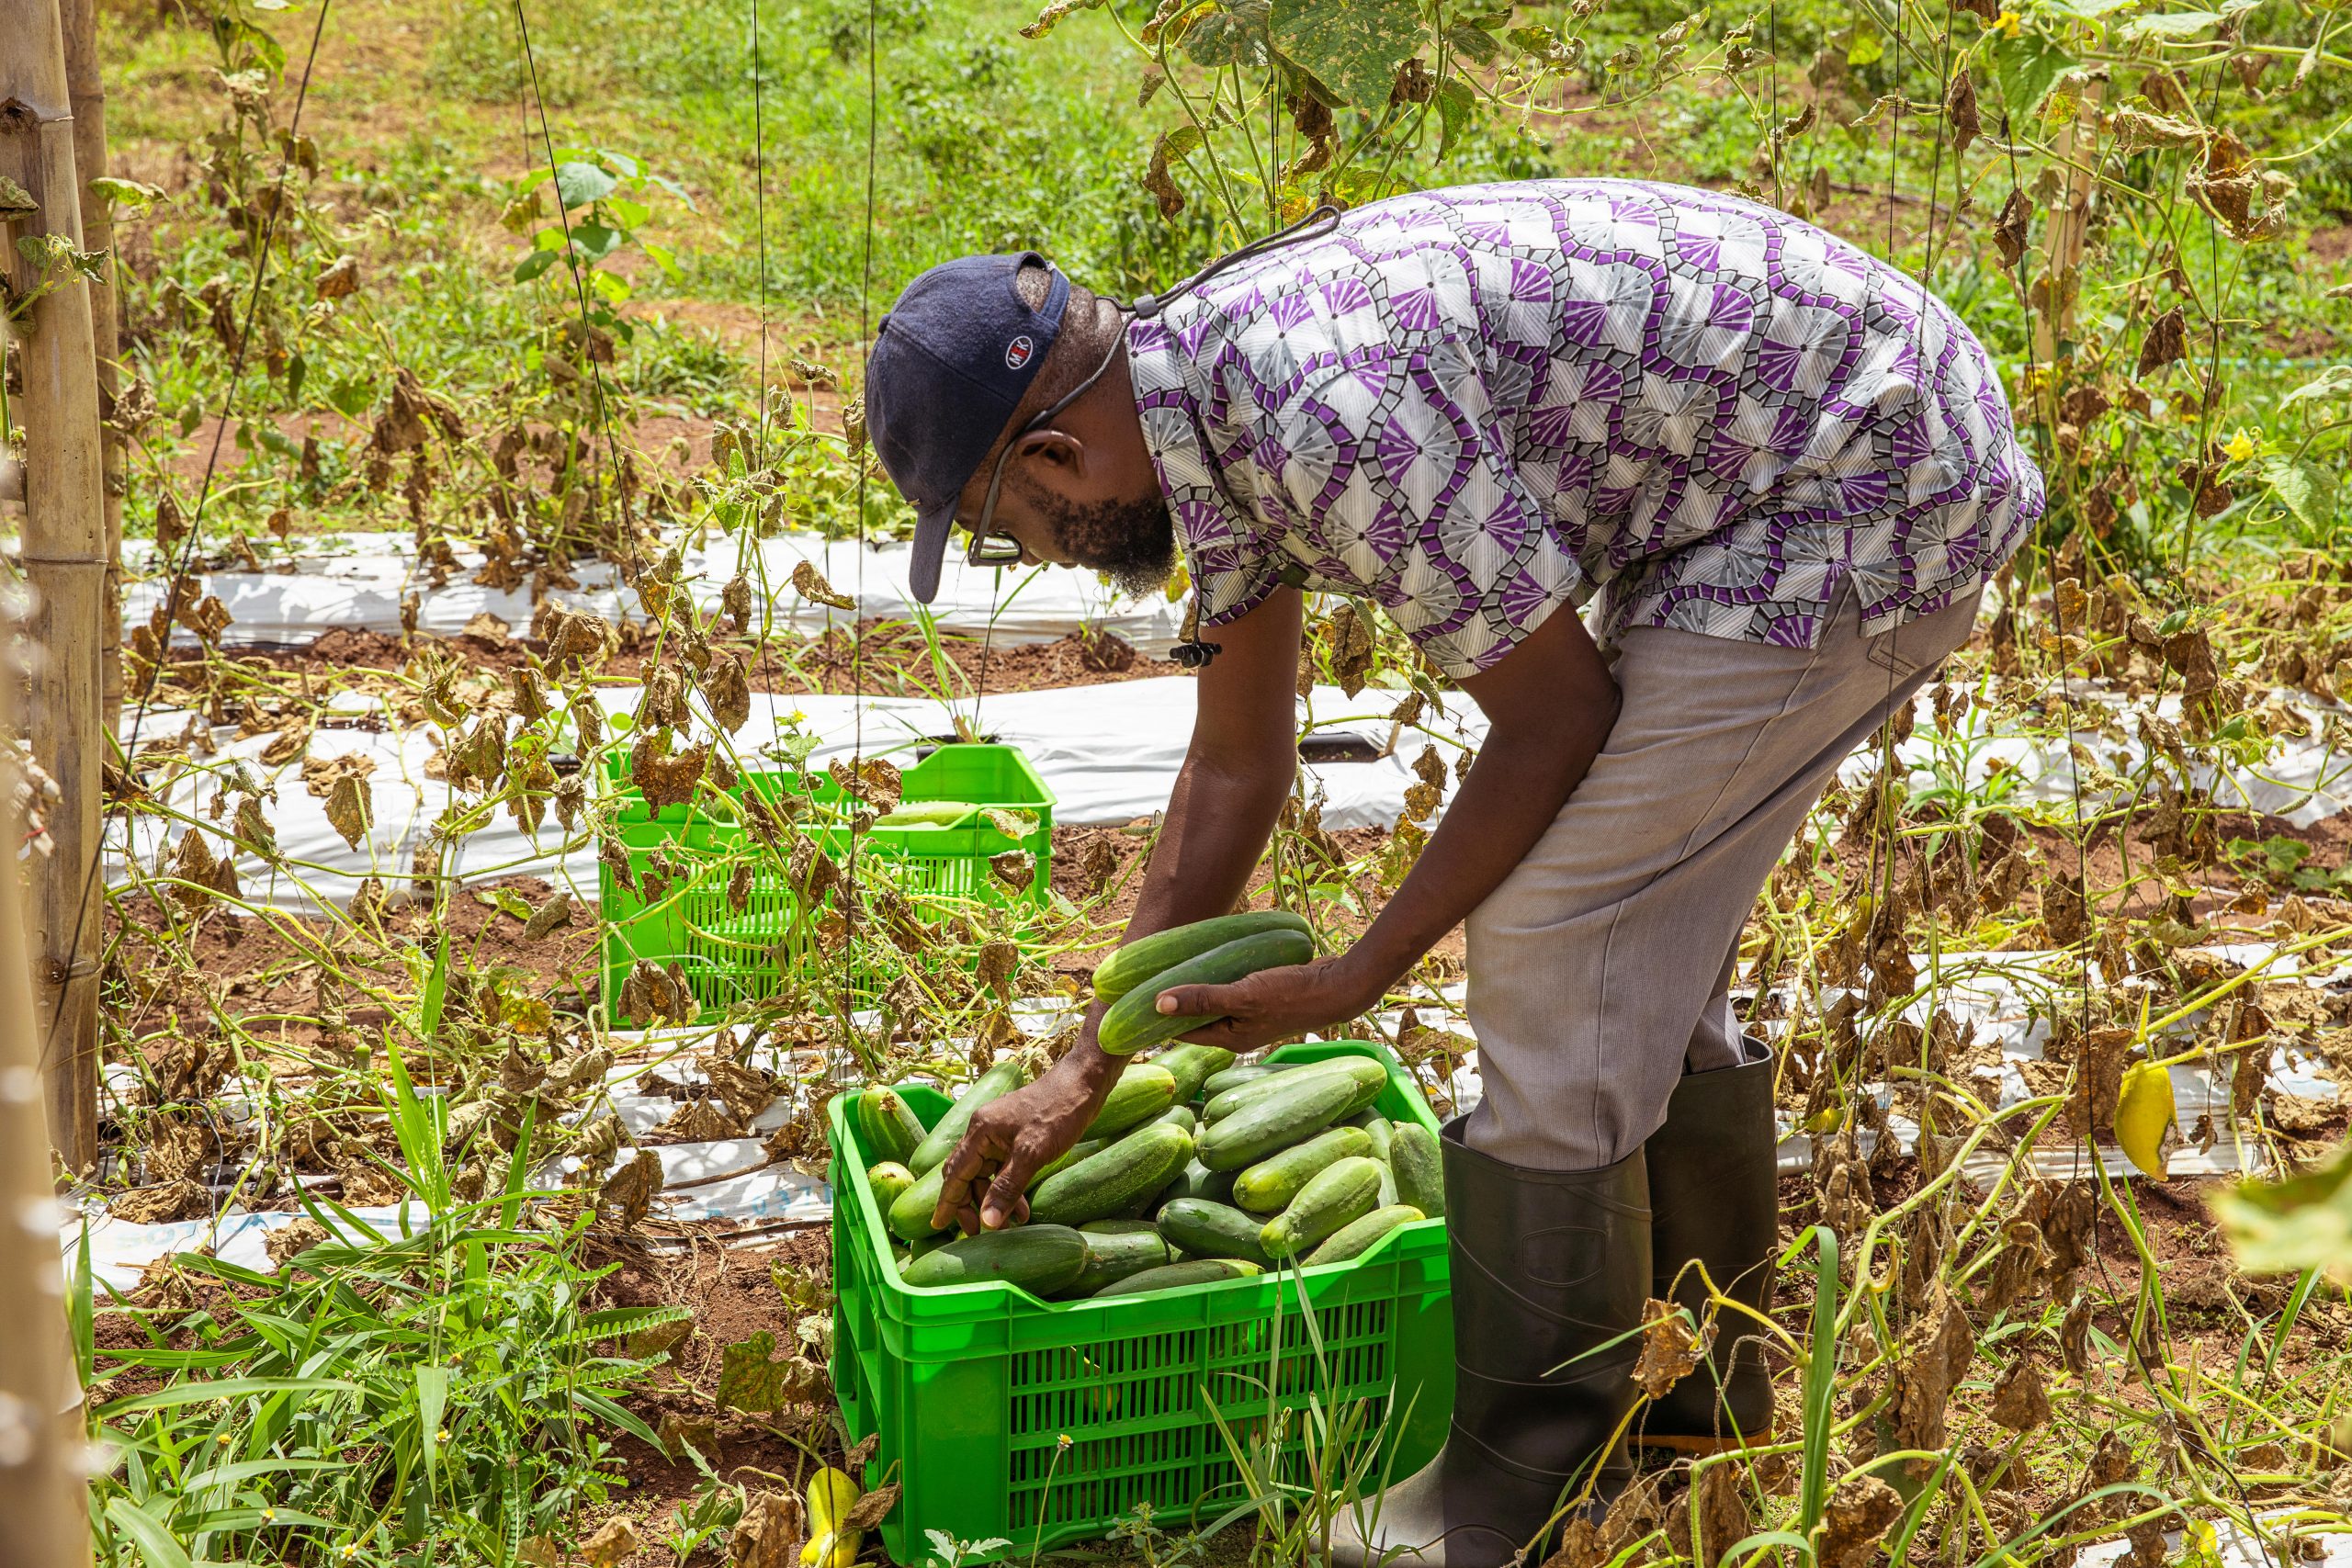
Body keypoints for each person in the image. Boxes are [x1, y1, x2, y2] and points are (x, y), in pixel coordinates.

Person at [860, 178, 2041, 1566]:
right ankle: (1691, 1406)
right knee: (1635, 929)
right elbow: (1237, 765)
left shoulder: (1317, 411)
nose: (1040, 554)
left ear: (1057, 454)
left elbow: (1559, 718)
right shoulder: (1197, 399)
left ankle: (1527, 1494)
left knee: (1555, 936)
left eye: (1012, 527)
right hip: (1760, 481)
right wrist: (1092, 1056)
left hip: (1867, 482)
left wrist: (1364, 970)